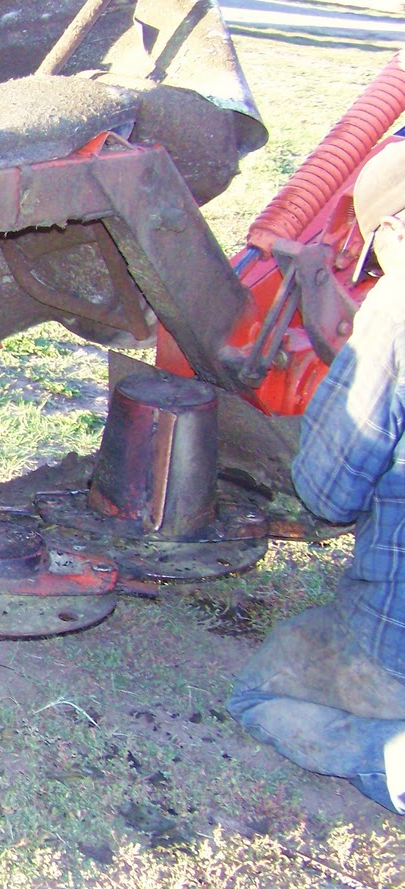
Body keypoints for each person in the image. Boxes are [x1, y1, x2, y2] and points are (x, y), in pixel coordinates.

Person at [228, 138, 405, 812]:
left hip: (397, 646)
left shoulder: (397, 310)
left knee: (269, 684)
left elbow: (329, 494)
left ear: (390, 230)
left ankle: (389, 756)